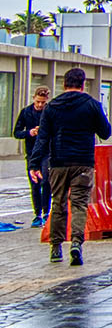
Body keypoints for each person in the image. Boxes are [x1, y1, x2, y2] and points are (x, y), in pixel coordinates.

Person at [29, 67, 112, 266]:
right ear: (83, 84)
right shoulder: (92, 105)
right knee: (79, 205)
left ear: (63, 84)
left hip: (57, 163)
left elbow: (43, 137)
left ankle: (56, 248)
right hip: (83, 162)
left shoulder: (52, 107)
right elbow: (106, 132)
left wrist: (34, 163)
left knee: (58, 204)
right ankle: (76, 243)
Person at [13, 86, 51, 227]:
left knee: (46, 181)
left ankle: (47, 212)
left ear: (46, 100)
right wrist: (29, 133)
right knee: (34, 184)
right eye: (38, 102)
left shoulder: (49, 111)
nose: (40, 105)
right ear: (34, 98)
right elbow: (16, 132)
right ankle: (37, 214)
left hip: (47, 152)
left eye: (42, 102)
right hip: (31, 152)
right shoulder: (26, 112)